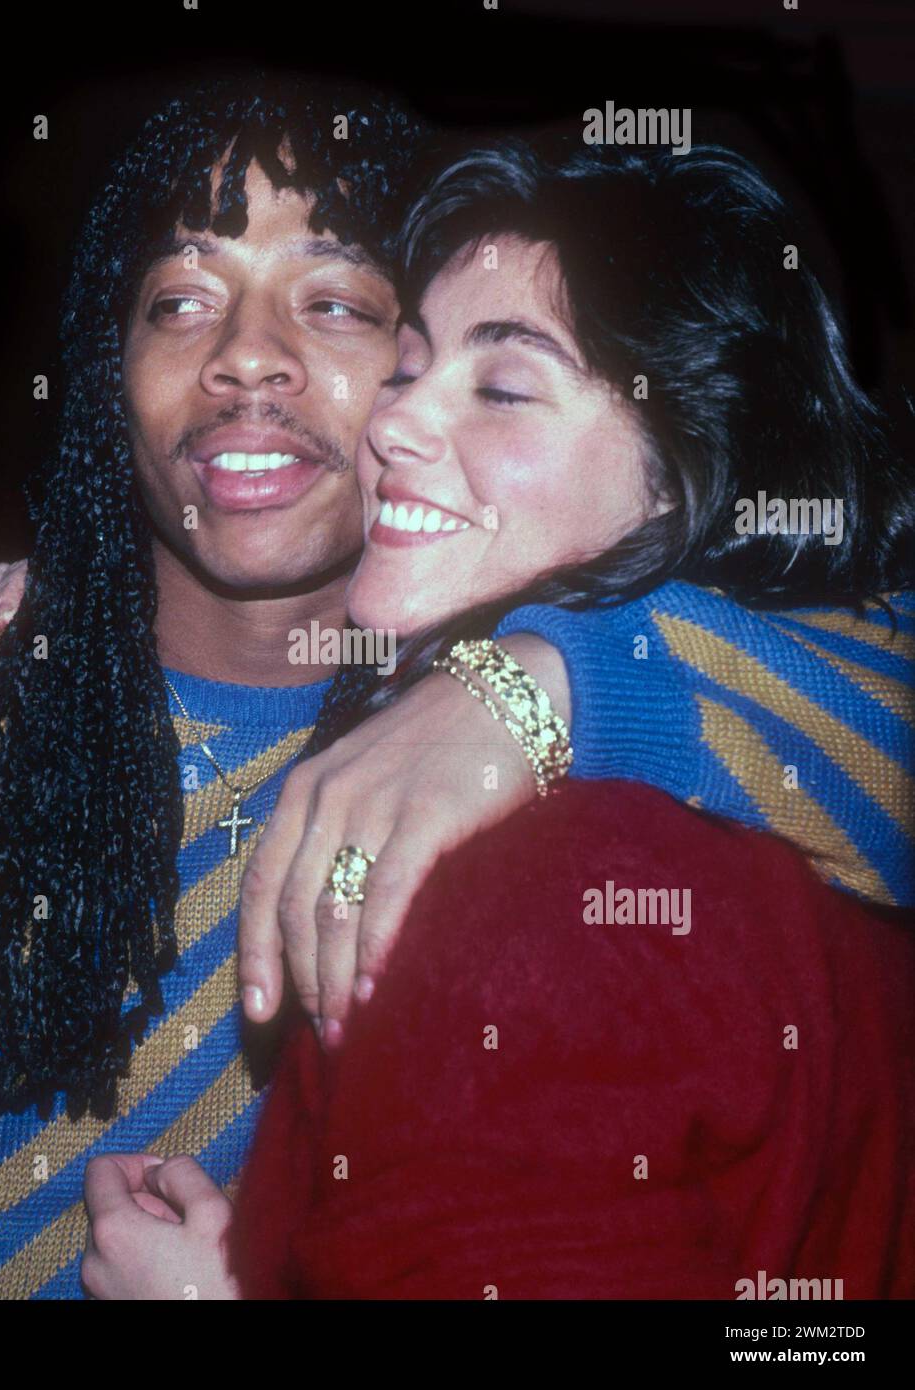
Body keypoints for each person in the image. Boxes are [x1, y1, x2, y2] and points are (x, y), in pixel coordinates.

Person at [0, 78, 908, 1302]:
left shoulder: (522, 798)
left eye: (333, 303)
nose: (245, 356)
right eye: (178, 300)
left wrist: (549, 684)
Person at [73, 140, 915, 1299]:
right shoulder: (772, 817)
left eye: (506, 386)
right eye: (410, 369)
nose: (397, 424)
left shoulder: (512, 895)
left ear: (685, 471)